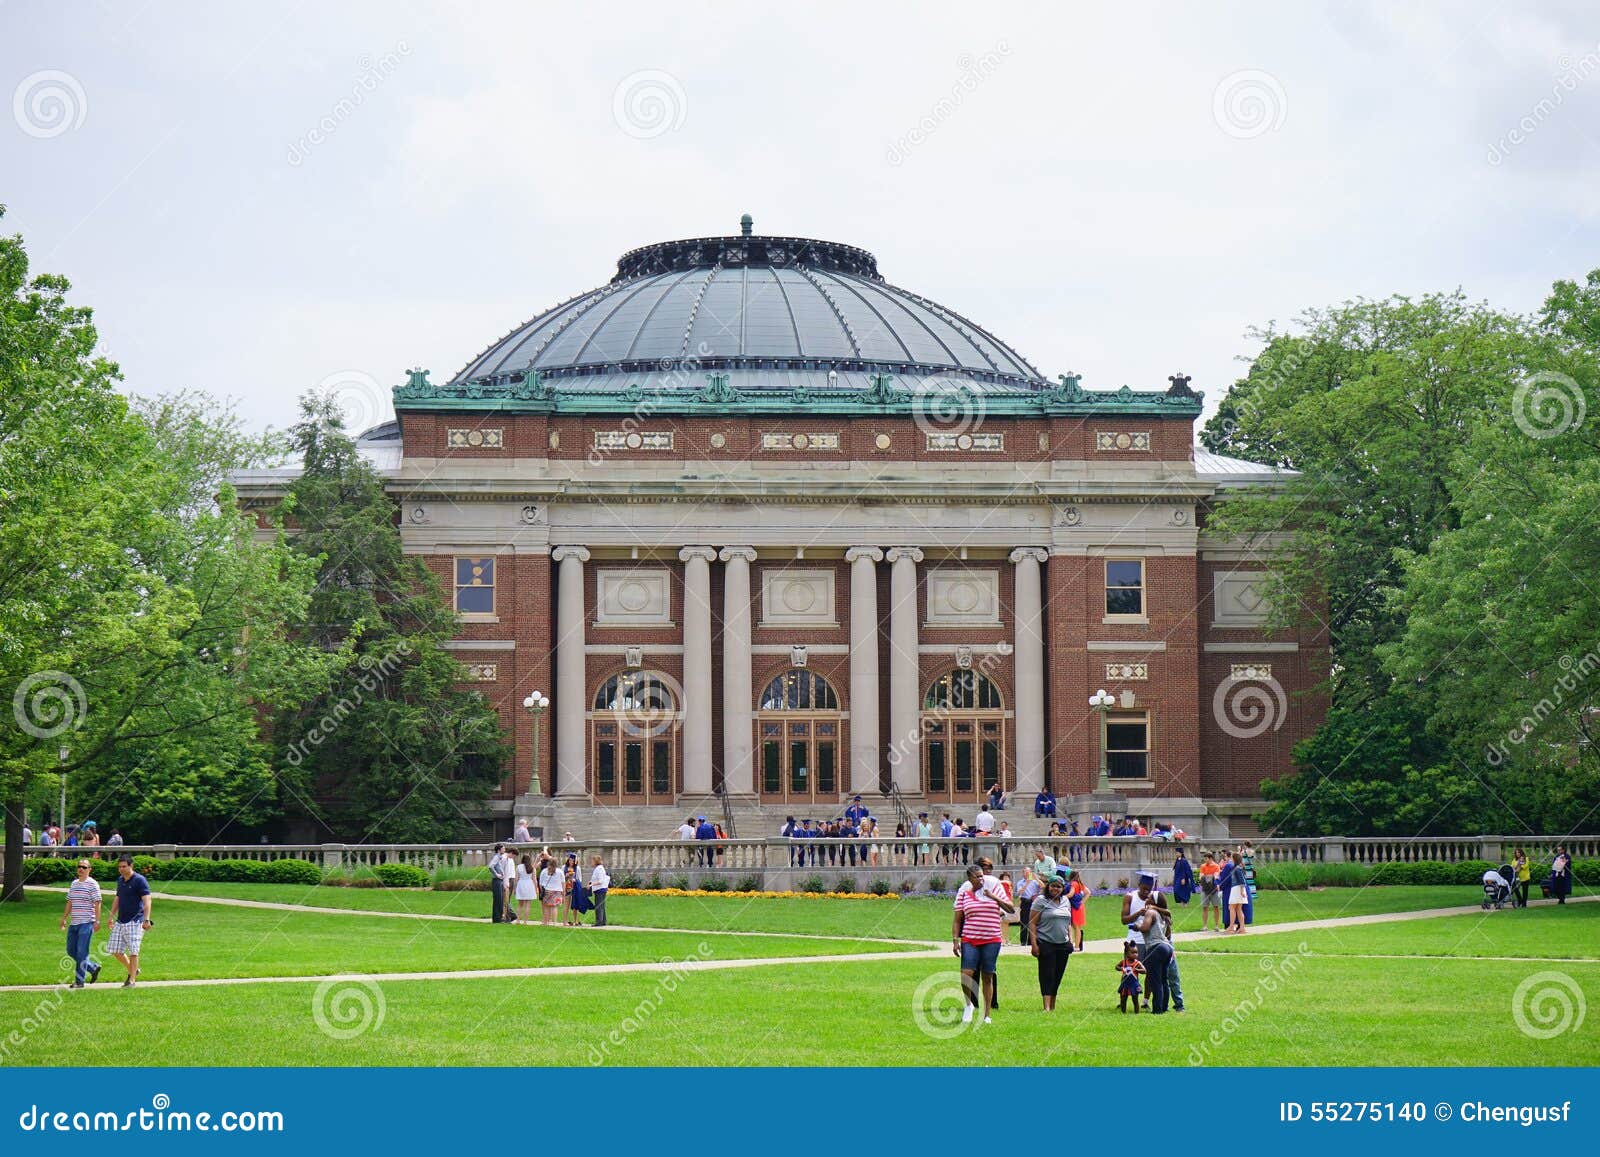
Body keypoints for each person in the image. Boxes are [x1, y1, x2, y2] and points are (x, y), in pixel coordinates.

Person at [951, 863, 1013, 1026]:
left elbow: (1011, 909)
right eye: (977, 877)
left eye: (982, 876)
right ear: (970, 879)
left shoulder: (994, 889)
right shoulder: (964, 894)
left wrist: (994, 897)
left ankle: (986, 1014)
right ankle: (969, 1005)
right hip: (970, 939)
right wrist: (955, 939)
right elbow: (957, 919)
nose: (981, 879)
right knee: (966, 972)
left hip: (991, 939)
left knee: (987, 975)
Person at [1028, 875, 1075, 1010]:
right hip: (1046, 942)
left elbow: (1068, 922)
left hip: (1063, 943)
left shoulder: (1066, 901)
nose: (1055, 888)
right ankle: (1046, 1007)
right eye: (1053, 886)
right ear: (1048, 887)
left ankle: (1053, 1005)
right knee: (1046, 974)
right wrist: (1034, 944)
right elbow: (1032, 923)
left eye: (1059, 886)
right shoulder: (1041, 900)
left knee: (1058, 975)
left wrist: (1070, 940)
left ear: (1063, 888)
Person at [107, 855, 151, 987]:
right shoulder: (120, 880)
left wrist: (147, 919)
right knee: (114, 949)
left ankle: (132, 980)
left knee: (133, 951)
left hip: (136, 921)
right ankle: (134, 970)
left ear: (131, 866)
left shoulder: (139, 880)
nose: (121, 869)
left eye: (124, 866)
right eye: (119, 867)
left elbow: (147, 900)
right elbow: (118, 899)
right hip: (121, 920)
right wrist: (111, 916)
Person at [60, 859, 103, 987]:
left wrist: (97, 920)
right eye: (79, 867)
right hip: (74, 923)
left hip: (87, 922)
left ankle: (79, 982)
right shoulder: (74, 884)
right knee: (71, 950)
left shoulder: (93, 884)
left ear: (89, 869)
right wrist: (64, 918)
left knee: (81, 952)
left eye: (84, 867)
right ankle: (92, 967)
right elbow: (70, 902)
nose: (81, 869)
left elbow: (97, 902)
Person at [1131, 902, 1173, 1013]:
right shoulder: (1163, 915)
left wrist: (1137, 926)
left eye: (1148, 901)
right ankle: (1164, 1007)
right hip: (1167, 947)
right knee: (1164, 980)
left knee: (1156, 981)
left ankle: (1157, 1010)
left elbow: (1145, 928)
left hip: (1155, 948)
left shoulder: (1151, 912)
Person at [1114, 942, 1144, 1014]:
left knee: (1135, 999)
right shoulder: (1124, 962)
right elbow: (1116, 967)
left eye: (1136, 953)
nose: (1135, 954)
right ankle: (1123, 1012)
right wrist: (1122, 969)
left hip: (1134, 984)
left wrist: (1137, 970)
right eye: (1133, 953)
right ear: (1127, 954)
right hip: (1125, 984)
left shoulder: (1137, 963)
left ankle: (1136, 1013)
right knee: (1123, 999)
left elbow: (1144, 970)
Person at [1016, 867, 1041, 946]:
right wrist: (1027, 883)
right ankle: (1023, 941)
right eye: (1025, 873)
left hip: (1033, 902)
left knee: (1033, 922)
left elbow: (1043, 887)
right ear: (1023, 873)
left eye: (1028, 873)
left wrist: (1036, 878)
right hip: (1025, 902)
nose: (1027, 874)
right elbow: (1019, 892)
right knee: (1024, 921)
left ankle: (1031, 941)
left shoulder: (1035, 882)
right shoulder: (1020, 882)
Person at [488, 843, 512, 924]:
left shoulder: (500, 857)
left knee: (500, 900)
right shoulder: (496, 857)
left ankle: (498, 918)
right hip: (497, 881)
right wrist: (496, 874)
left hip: (500, 881)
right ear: (499, 850)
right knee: (498, 900)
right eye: (503, 848)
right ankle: (497, 919)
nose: (504, 850)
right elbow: (490, 866)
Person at [537, 855, 565, 925]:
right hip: (557, 891)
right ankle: (554, 922)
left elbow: (540, 883)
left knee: (546, 907)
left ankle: (546, 922)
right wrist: (563, 892)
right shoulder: (560, 871)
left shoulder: (544, 871)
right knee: (554, 907)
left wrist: (541, 891)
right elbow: (563, 883)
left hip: (547, 891)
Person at [1066, 869, 1090, 951]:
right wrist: (1082, 902)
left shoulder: (1073, 883)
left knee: (1076, 927)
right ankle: (1077, 945)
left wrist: (1062, 897)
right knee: (1077, 927)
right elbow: (1088, 892)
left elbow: (1071, 894)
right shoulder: (1080, 884)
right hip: (1079, 907)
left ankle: (1076, 946)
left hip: (1075, 907)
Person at [1198, 852, 1222, 930]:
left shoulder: (1216, 866)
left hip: (1214, 889)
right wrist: (1209, 877)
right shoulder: (1203, 866)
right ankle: (1205, 926)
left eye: (1206, 858)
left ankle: (1216, 925)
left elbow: (1216, 877)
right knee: (1205, 907)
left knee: (1216, 907)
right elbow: (1201, 877)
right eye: (1204, 858)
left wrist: (1207, 877)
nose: (1205, 860)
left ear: (1210, 858)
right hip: (1205, 889)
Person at [566, 853, 591, 926]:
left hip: (575, 887)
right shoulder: (565, 867)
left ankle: (576, 920)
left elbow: (579, 879)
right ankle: (567, 920)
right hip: (567, 887)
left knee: (575, 904)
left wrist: (574, 880)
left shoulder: (577, 868)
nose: (571, 862)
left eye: (573, 860)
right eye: (570, 860)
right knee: (567, 905)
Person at [1226, 852, 1249, 932]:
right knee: (1239, 908)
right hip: (1238, 889)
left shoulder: (1237, 868)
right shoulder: (1238, 867)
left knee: (1231, 907)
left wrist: (1242, 891)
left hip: (1237, 889)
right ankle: (1242, 927)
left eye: (1232, 858)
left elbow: (1242, 881)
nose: (1231, 859)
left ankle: (1231, 926)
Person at [512, 854, 538, 923]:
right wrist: (536, 889)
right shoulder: (532, 868)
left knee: (520, 905)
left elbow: (516, 879)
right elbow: (534, 880)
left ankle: (517, 920)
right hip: (529, 885)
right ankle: (525, 921)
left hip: (521, 884)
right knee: (528, 904)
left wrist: (515, 889)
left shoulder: (519, 867)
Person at [589, 855, 610, 926]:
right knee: (601, 905)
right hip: (599, 889)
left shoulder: (599, 869)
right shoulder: (598, 868)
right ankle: (603, 920)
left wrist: (591, 885)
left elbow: (600, 881)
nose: (591, 862)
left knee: (599, 906)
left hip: (600, 889)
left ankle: (599, 921)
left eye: (592, 861)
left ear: (595, 861)